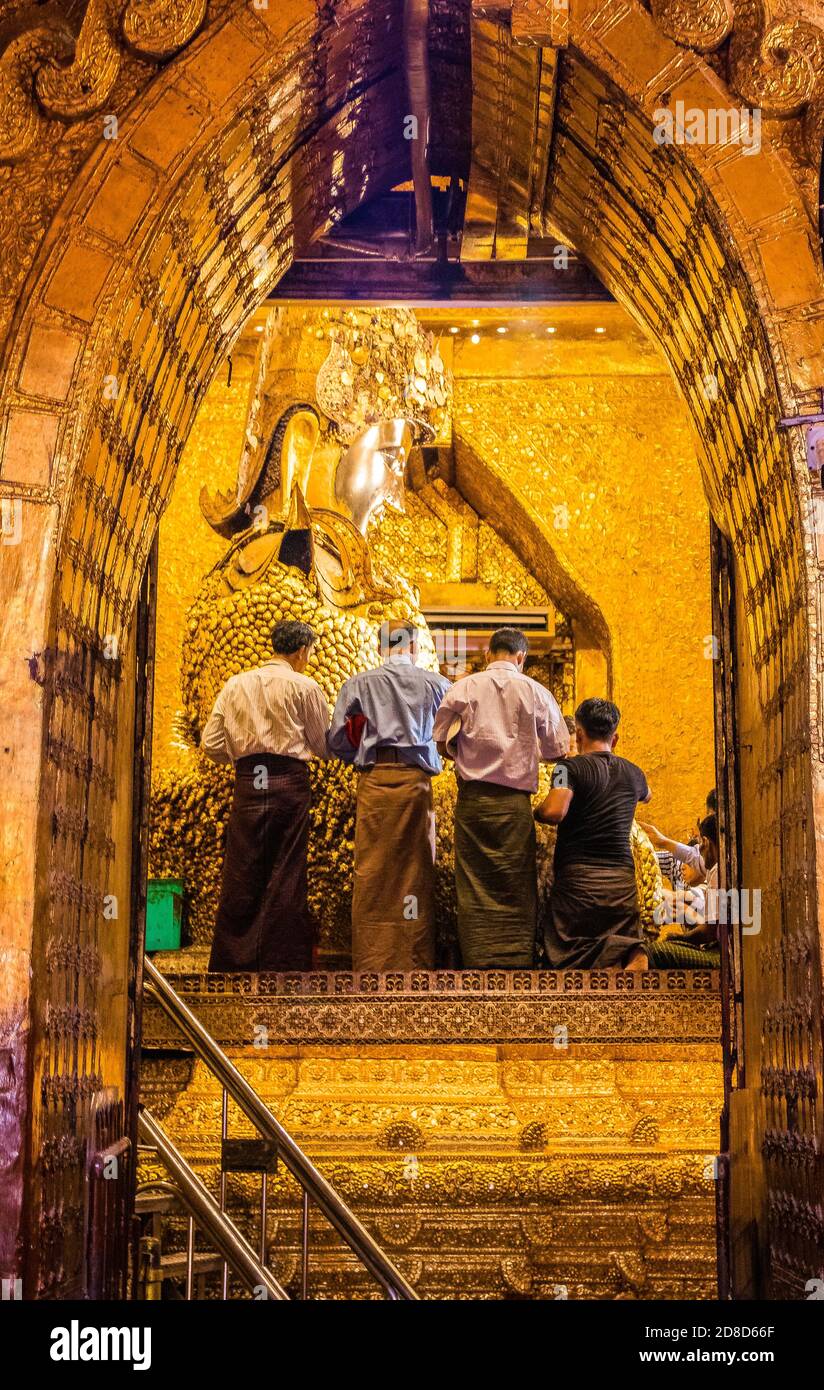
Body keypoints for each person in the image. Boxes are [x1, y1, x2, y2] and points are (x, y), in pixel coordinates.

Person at [432, 626, 569, 968]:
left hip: (474, 803)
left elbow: (438, 740)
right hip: (514, 805)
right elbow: (559, 749)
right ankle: (514, 961)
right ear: (521, 657)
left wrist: (464, 754)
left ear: (489, 654)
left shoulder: (462, 688)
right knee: (515, 882)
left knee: (473, 882)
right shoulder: (536, 692)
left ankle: (478, 959)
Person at [201, 619, 330, 971]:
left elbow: (210, 743)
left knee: (243, 868)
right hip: (289, 782)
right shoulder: (305, 686)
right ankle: (281, 962)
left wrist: (243, 756)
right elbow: (322, 745)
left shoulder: (235, 685)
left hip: (248, 780)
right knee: (286, 869)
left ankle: (235, 962)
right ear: (302, 650)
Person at [327, 620, 451, 971]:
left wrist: (359, 749)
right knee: (415, 871)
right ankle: (413, 963)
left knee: (371, 872)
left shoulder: (359, 685)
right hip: (415, 784)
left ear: (380, 647)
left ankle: (371, 963)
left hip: (374, 782)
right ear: (413, 647)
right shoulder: (437, 684)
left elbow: (336, 739)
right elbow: (453, 735)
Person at [536, 697, 651, 970]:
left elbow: (555, 811)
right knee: (620, 936)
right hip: (622, 885)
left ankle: (621, 956)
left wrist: (535, 811)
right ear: (616, 738)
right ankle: (631, 951)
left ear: (578, 734)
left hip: (580, 885)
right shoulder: (635, 773)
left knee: (565, 949)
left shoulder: (567, 769)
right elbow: (647, 796)